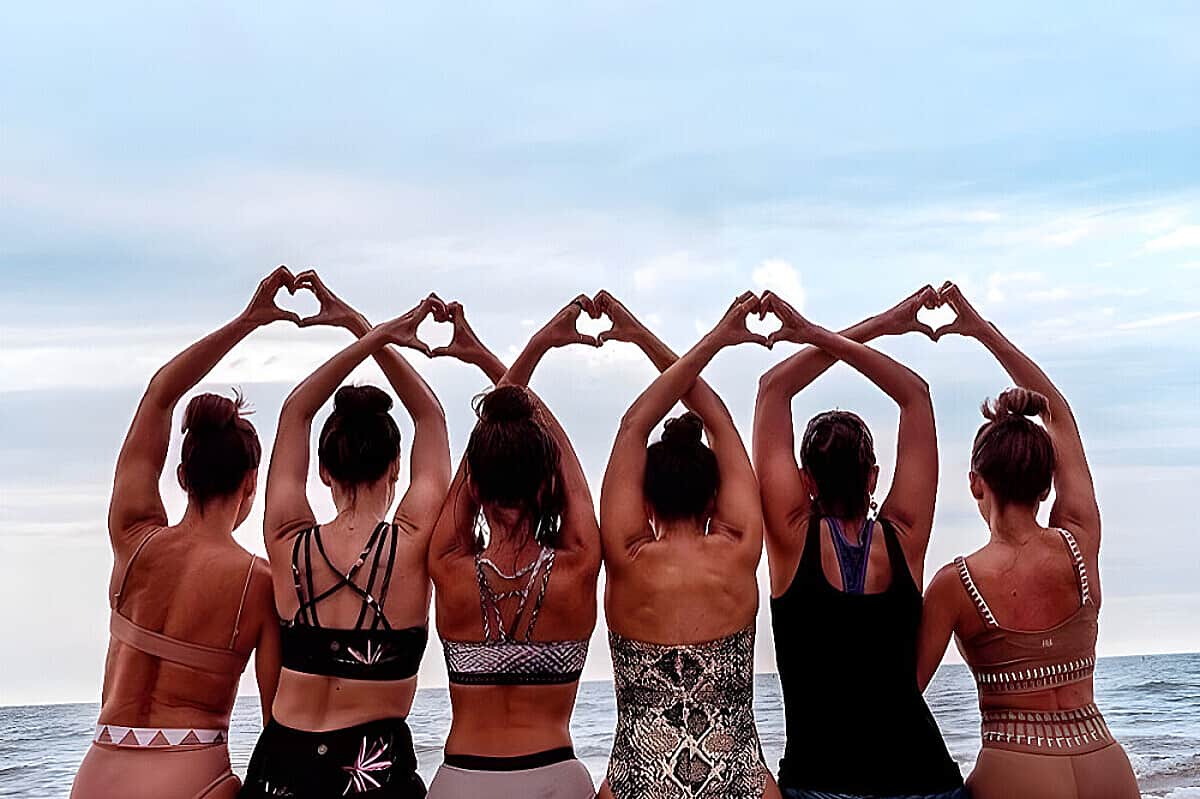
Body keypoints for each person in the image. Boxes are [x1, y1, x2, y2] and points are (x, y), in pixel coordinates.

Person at [70, 267, 293, 799]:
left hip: (98, 771)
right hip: (193, 777)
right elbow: (276, 725)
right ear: (250, 484)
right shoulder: (259, 583)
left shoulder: (134, 539)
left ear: (182, 474)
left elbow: (159, 396)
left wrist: (248, 320)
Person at [916, 282, 1139, 799]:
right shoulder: (1079, 542)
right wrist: (980, 329)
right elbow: (1059, 411)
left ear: (975, 482)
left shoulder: (955, 584)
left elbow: (903, 697)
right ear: (1046, 485)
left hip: (1016, 769)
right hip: (1106, 761)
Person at [240, 276, 451, 798]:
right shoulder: (411, 543)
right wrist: (369, 328)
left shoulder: (288, 541)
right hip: (372, 770)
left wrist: (367, 337)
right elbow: (431, 415)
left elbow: (295, 411)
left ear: (323, 471)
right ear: (396, 468)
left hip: (280, 769)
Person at [753, 289, 965, 799]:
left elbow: (771, 390)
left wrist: (851, 327)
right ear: (874, 476)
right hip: (925, 783)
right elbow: (915, 395)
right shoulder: (906, 536)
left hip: (820, 784)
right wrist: (877, 327)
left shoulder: (789, 537)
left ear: (806, 480)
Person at [598, 293, 780, 799]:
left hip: (637, 780)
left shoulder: (627, 556)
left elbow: (634, 425)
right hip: (740, 780)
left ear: (646, 502)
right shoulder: (739, 546)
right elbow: (716, 416)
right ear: (715, 499)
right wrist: (719, 337)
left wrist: (638, 335)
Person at [425, 297, 601, 799]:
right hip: (554, 778)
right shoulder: (579, 565)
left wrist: (521, 354)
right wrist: (533, 348)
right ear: (548, 486)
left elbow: (472, 466)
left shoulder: (448, 565)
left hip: (460, 779)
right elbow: (572, 476)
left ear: (476, 489)